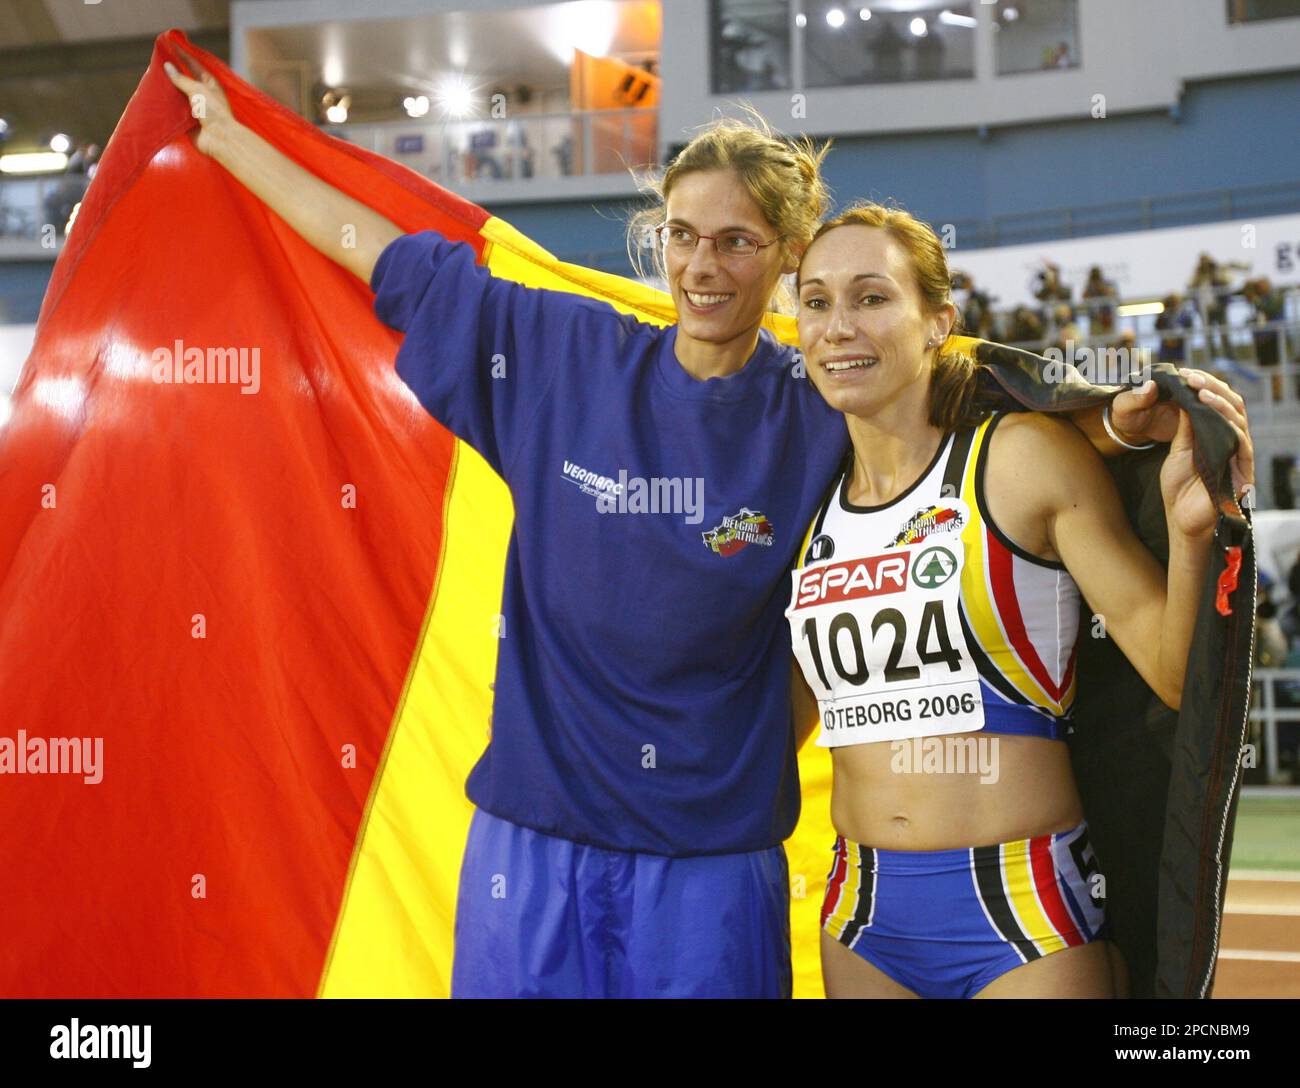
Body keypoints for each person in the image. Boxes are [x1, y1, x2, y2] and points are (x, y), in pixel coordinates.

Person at [163, 51, 1247, 998]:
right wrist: (230, 140)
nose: (700, 266)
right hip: (530, 849)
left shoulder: (817, 405)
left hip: (713, 865)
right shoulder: (551, 352)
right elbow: (381, 255)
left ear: (780, 256)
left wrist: (1110, 421)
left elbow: (959, 402)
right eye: (681, 235)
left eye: (735, 242)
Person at [788, 203, 1253, 999]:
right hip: (861, 912)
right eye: (817, 301)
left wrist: (1187, 533)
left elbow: (1178, 680)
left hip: (1022, 910)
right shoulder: (805, 502)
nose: (838, 327)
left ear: (939, 320)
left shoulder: (1020, 460)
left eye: (871, 297)